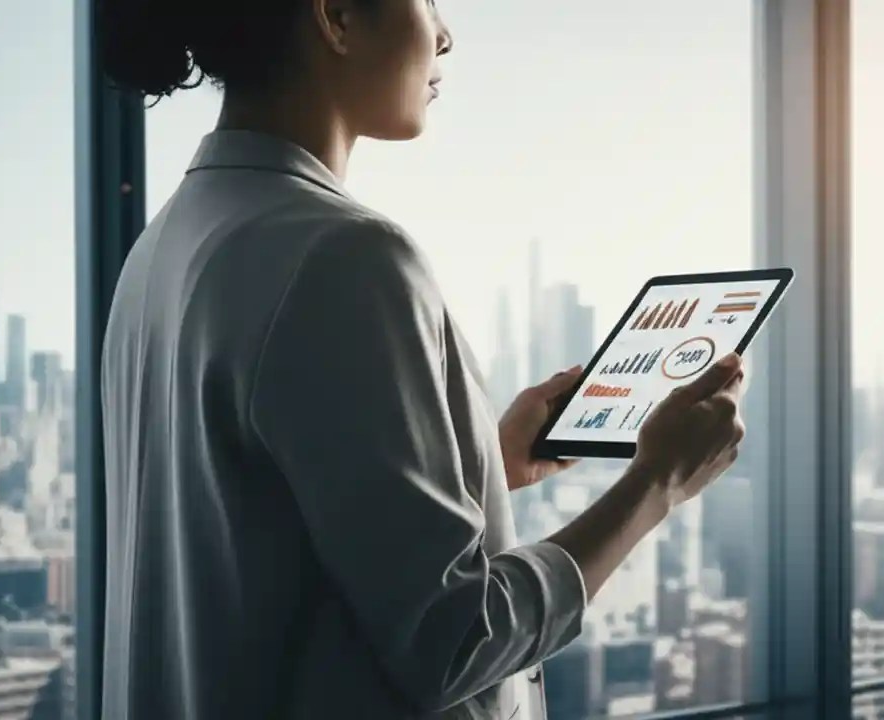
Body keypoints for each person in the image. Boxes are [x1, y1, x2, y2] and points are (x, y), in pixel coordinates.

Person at [97, 1, 749, 718]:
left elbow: (264, 525)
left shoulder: (163, 247)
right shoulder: (343, 255)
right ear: (336, 16)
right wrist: (656, 483)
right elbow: (454, 639)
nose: (444, 35)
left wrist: (485, 464)